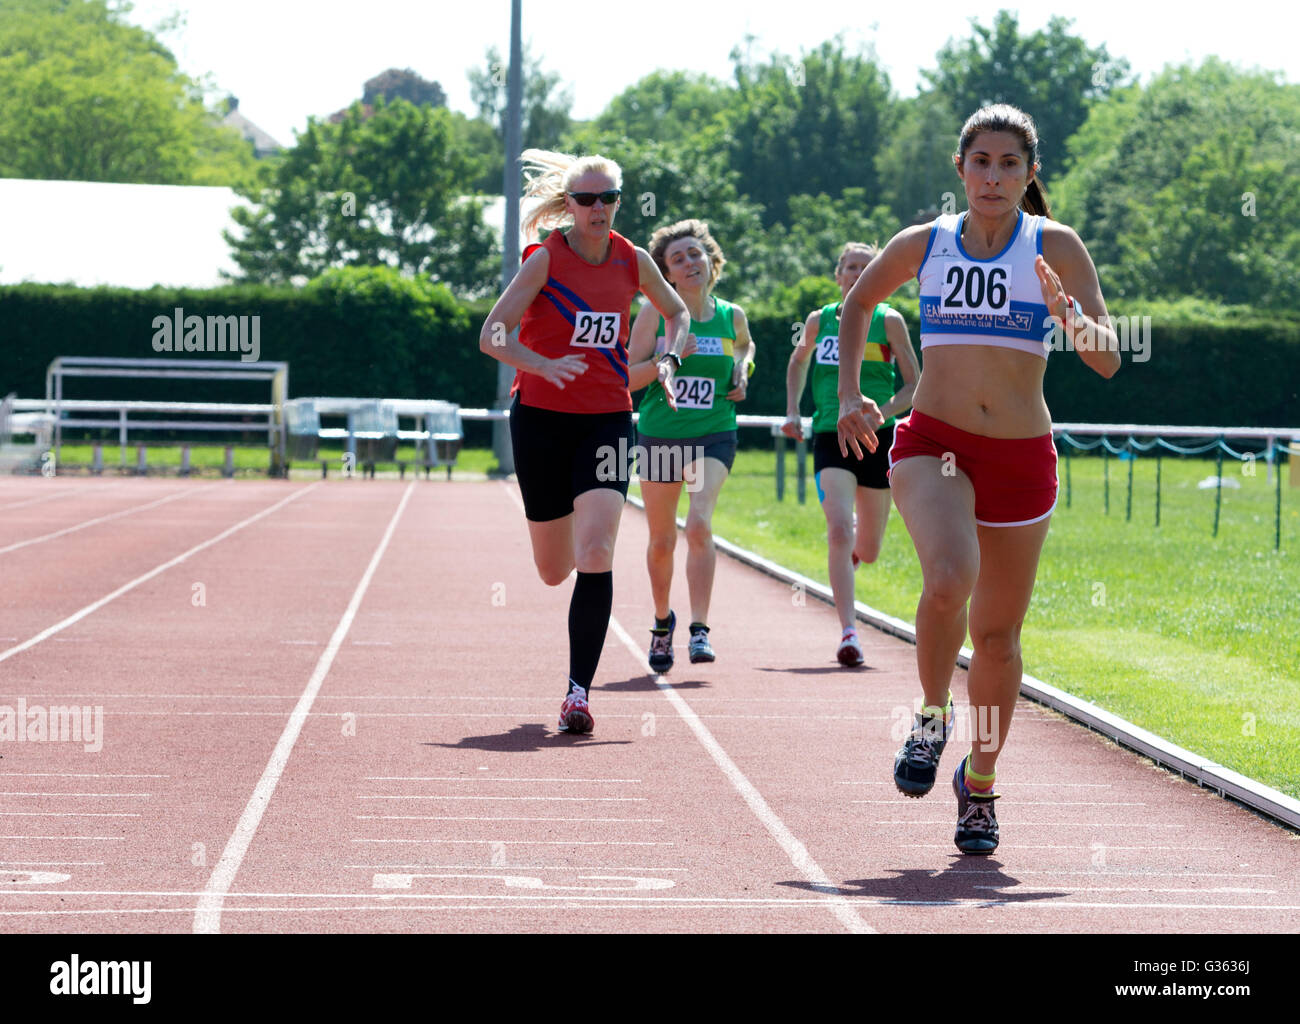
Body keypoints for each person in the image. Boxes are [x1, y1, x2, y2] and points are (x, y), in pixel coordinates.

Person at [836, 105, 1121, 854]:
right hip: (936, 443)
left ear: (1030, 174)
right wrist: (846, 394)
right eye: (981, 162)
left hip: (1021, 455)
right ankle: (931, 717)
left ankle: (981, 785)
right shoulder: (925, 244)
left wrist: (1070, 319)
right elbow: (859, 299)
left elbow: (1108, 357)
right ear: (960, 170)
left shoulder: (1052, 245)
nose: (993, 177)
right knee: (949, 576)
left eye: (1008, 164)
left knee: (996, 641)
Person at [479, 148, 691, 734]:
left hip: (606, 419)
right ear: (568, 206)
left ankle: (578, 692)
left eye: (609, 198)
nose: (599, 209)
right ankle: (568, 522)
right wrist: (539, 364)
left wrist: (667, 360)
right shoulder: (546, 260)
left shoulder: (634, 260)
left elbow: (677, 315)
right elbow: (491, 334)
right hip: (541, 419)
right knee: (554, 569)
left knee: (596, 553)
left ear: (619, 202)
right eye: (587, 199)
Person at [782, 243, 918, 667]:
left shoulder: (889, 320)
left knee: (871, 549)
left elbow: (916, 383)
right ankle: (849, 631)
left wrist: (885, 412)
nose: (859, 273)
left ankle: (859, 546)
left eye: (867, 267)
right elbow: (797, 361)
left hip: (878, 439)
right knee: (839, 530)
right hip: (831, 434)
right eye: (851, 267)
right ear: (838, 274)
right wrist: (792, 410)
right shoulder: (818, 321)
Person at [628, 220, 755, 671]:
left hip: (714, 431)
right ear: (667, 274)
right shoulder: (653, 313)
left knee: (698, 523)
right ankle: (663, 623)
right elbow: (627, 378)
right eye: (677, 259)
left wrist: (742, 371)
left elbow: (744, 347)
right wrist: (669, 358)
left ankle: (700, 630)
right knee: (662, 540)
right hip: (661, 433)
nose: (689, 262)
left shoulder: (731, 315)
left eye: (695, 253)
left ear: (709, 260)